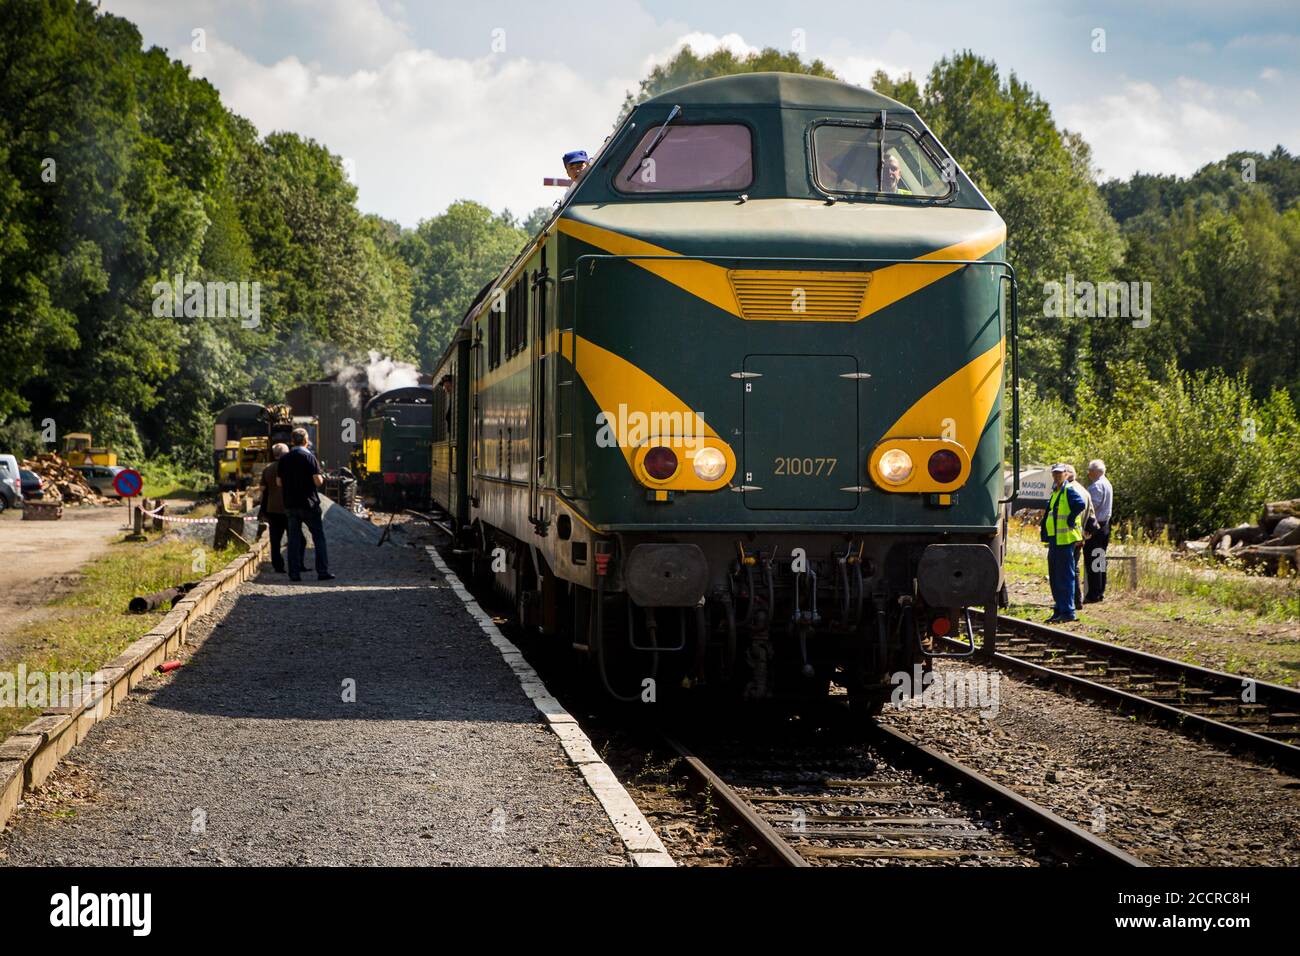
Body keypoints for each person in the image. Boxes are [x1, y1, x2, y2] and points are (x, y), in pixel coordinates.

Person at [277, 427, 334, 582]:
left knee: (293, 540)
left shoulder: (284, 459)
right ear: (306, 441)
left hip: (290, 504)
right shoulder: (310, 458)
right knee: (318, 537)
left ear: (292, 441)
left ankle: (294, 573)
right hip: (309, 504)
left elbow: (279, 482)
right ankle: (322, 571)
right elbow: (318, 481)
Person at [1041, 463, 1086, 623]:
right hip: (1056, 540)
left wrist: (1070, 519)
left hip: (1065, 540)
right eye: (1055, 473)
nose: (1057, 475)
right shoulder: (1056, 491)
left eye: (1060, 473)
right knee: (1055, 577)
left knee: (1065, 577)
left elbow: (1081, 504)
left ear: (1066, 474)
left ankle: (1068, 611)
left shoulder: (1068, 490)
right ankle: (1059, 609)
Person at [1064, 464, 1096, 611]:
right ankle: (1077, 600)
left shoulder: (1068, 491)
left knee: (1066, 569)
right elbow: (1091, 517)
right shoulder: (1084, 490)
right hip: (1079, 536)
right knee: (1074, 568)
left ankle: (1070, 602)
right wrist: (1084, 535)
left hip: (1067, 536)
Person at [1084, 459, 1114, 603]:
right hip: (1105, 526)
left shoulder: (1096, 486)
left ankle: (1094, 594)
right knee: (1100, 560)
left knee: (1093, 560)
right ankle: (1100, 591)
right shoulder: (1107, 483)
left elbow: (1092, 507)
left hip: (1096, 527)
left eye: (1089, 470)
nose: (1088, 473)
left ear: (1095, 471)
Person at [258, 443, 290, 573]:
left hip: (272, 509)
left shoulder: (268, 469)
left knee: (275, 540)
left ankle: (278, 566)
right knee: (295, 537)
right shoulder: (290, 468)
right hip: (288, 507)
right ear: (286, 454)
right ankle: (296, 563)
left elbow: (262, 489)